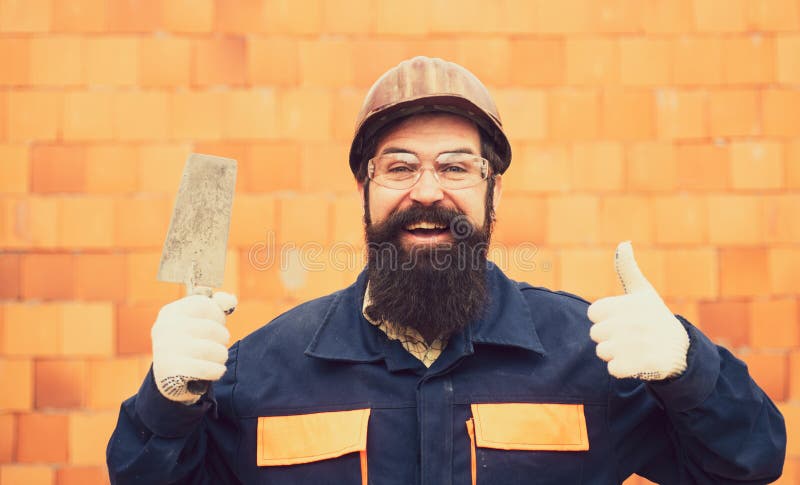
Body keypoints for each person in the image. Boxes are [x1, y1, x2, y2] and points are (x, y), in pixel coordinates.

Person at [106, 56, 786, 484]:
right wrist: (166, 404)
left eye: (457, 166)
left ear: (493, 193)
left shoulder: (588, 358)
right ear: (364, 193)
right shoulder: (260, 371)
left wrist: (690, 366)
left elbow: (747, 462)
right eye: (398, 166)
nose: (426, 191)